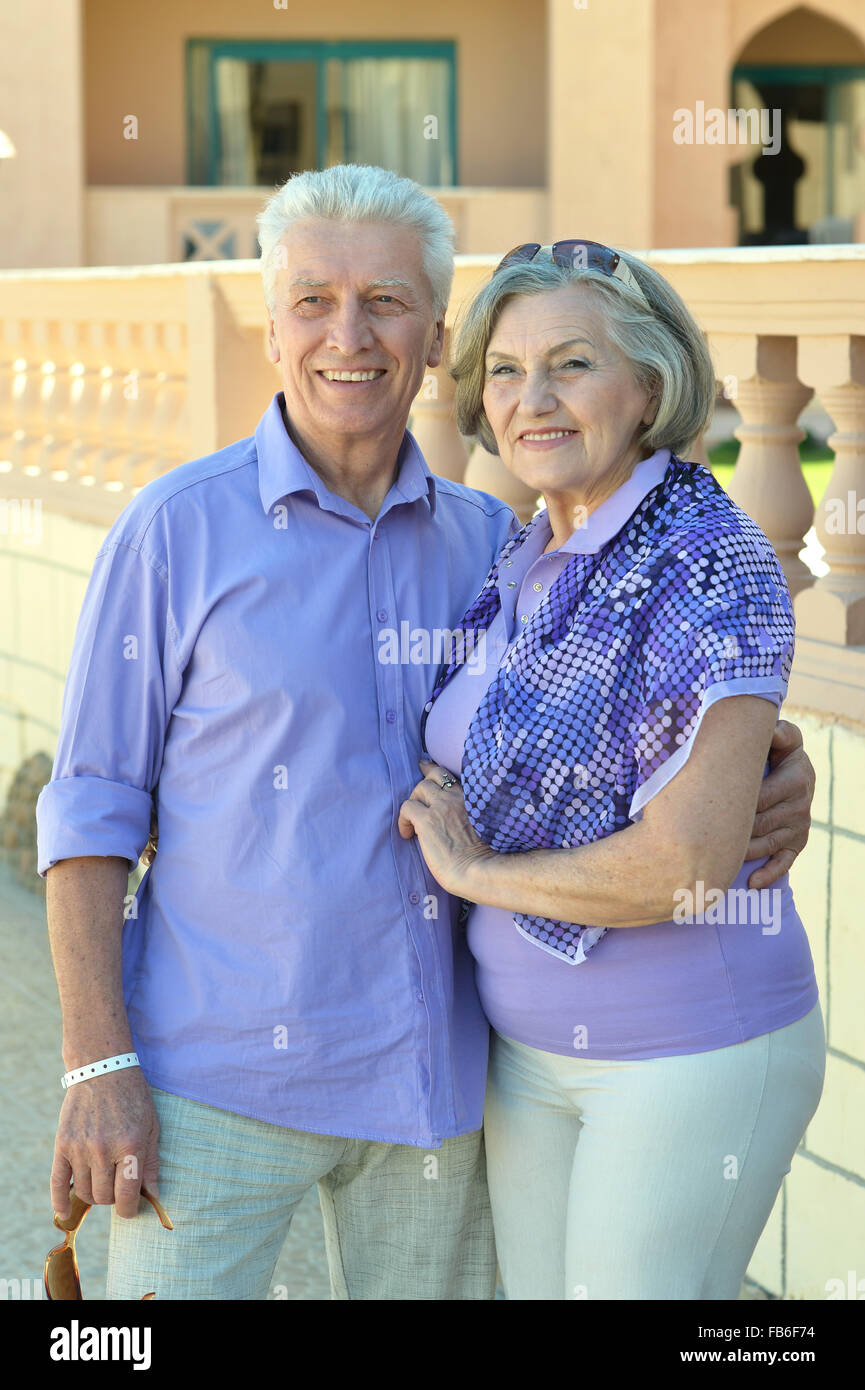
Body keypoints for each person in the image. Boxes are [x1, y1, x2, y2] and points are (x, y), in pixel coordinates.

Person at [36, 174, 814, 1301]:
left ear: (434, 334)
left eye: (386, 301)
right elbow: (92, 808)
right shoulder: (174, 532)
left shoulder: (491, 543)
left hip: (437, 1089)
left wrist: (770, 758)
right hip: (213, 1084)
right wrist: (96, 1063)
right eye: (312, 300)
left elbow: (653, 706)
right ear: (271, 325)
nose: (347, 335)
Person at [399, 239, 825, 1300]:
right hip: (527, 1051)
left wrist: (472, 867)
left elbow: (679, 862)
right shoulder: (521, 553)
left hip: (683, 1051)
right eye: (505, 369)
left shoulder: (704, 556)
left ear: (649, 385)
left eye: (572, 363)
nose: (531, 399)